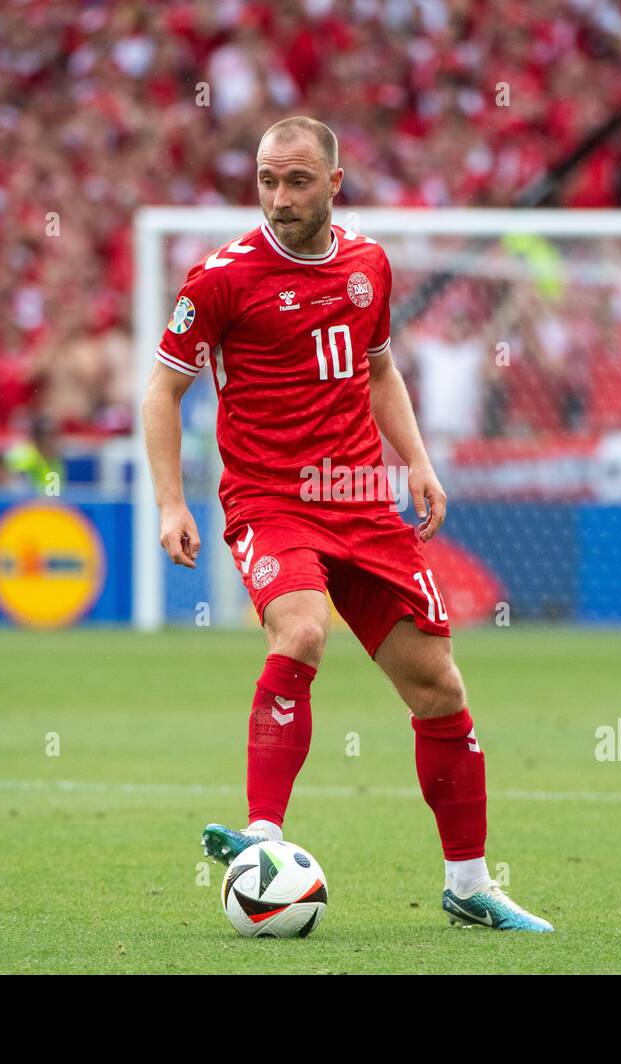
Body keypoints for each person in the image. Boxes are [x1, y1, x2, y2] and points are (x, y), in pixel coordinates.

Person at [142, 116, 552, 931]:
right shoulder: (219, 280)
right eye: (266, 180)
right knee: (300, 633)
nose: (279, 198)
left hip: (363, 499)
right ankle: (263, 838)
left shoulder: (369, 265)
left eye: (296, 181)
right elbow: (162, 391)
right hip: (270, 499)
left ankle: (469, 886)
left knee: (439, 687)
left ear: (334, 183)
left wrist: (419, 463)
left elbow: (379, 369)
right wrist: (170, 502)